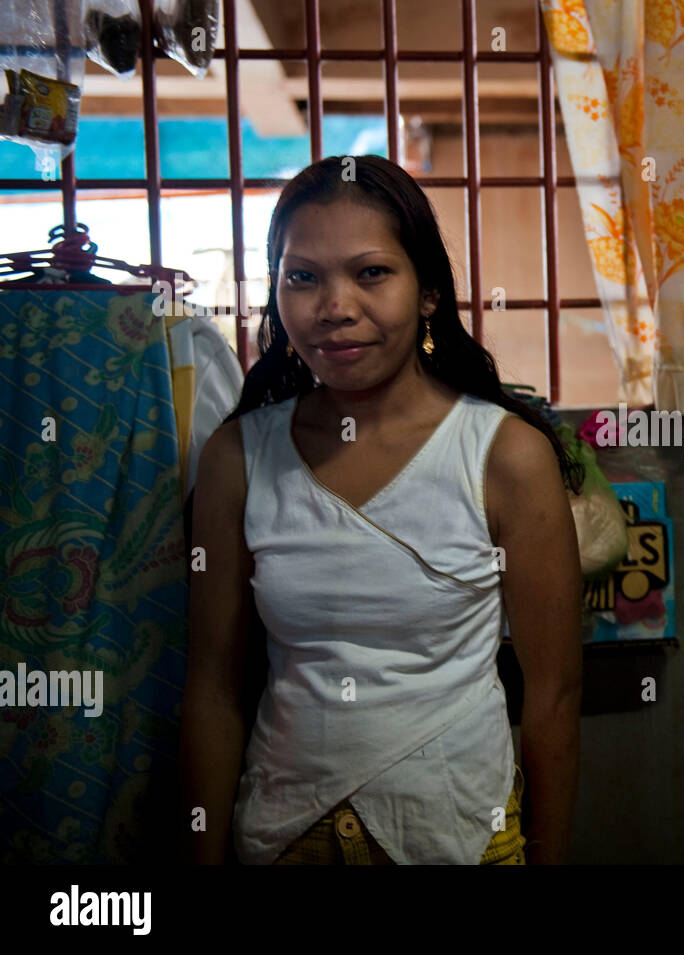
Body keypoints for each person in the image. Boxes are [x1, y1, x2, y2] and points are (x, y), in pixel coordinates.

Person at [178, 155, 583, 865]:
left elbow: (553, 694)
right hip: (282, 836)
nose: (334, 306)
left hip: (457, 835)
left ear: (427, 291)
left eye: (370, 273)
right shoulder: (238, 458)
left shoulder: (504, 456)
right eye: (302, 276)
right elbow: (213, 688)